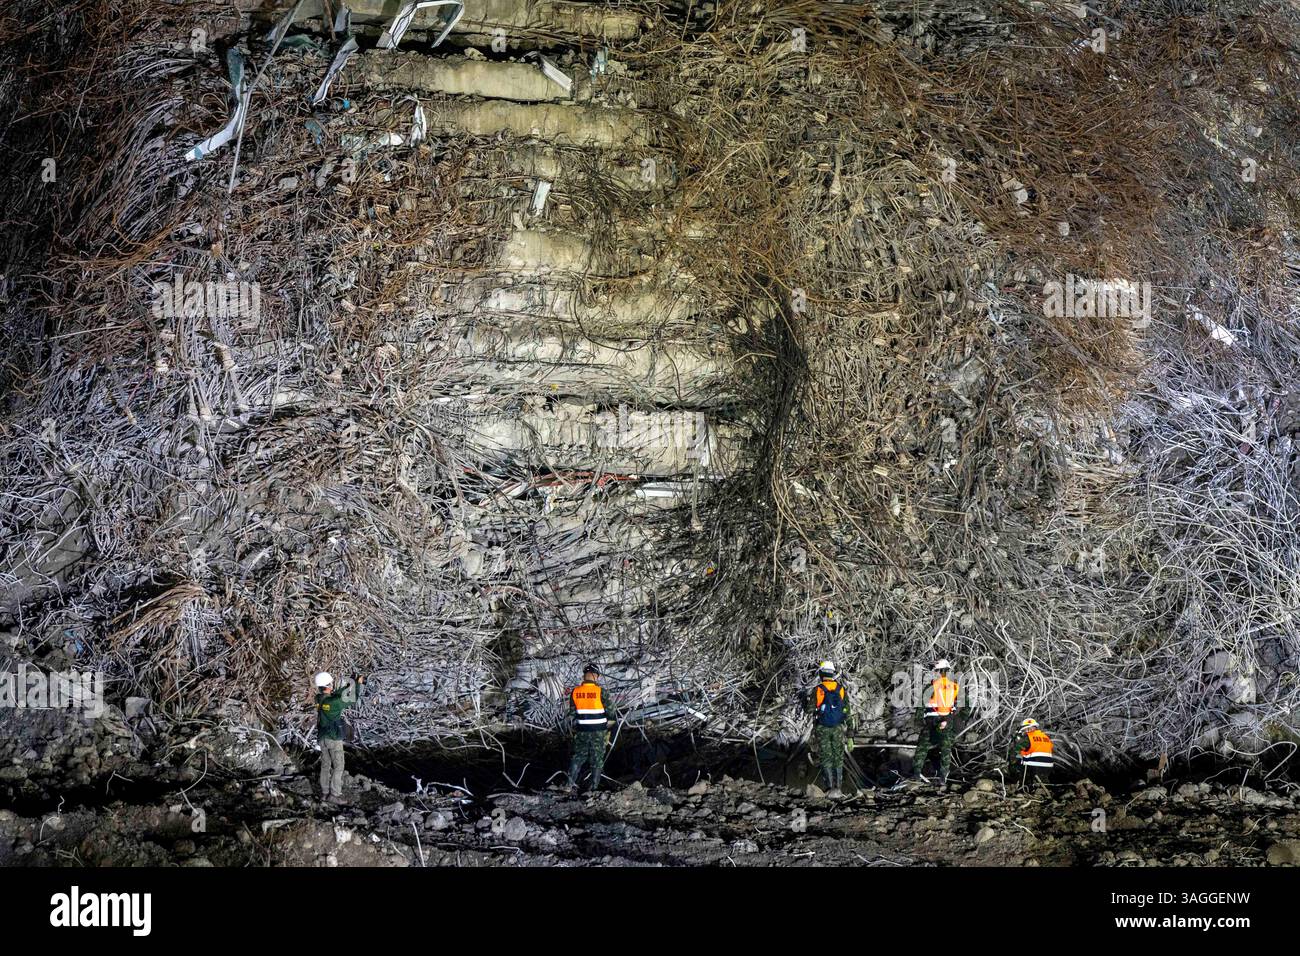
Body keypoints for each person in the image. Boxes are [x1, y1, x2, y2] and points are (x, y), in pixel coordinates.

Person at [315, 670, 365, 803]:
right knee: (339, 766)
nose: (333, 685)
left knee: (325, 766)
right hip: (333, 738)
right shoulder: (334, 702)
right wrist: (358, 685)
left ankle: (324, 793)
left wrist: (350, 684)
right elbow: (353, 698)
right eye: (331, 683)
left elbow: (335, 696)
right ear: (328, 685)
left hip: (322, 738)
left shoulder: (319, 699)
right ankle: (334, 795)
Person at [567, 663, 617, 793]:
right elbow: (611, 713)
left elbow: (572, 714)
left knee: (578, 757)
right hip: (598, 732)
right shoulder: (601, 692)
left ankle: (569, 785)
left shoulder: (575, 692)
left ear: (584, 676)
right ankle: (593, 789)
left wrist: (575, 729)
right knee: (597, 759)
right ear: (595, 676)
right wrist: (608, 731)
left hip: (582, 731)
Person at [911, 658, 961, 785]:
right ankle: (943, 777)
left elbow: (921, 705)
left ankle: (916, 774)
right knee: (945, 748)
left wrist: (918, 721)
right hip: (946, 722)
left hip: (932, 723)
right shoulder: (954, 687)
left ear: (938, 671)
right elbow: (958, 708)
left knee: (922, 747)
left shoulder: (931, 687)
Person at [806, 660, 852, 796]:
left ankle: (829, 787)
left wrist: (806, 701)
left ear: (821, 673)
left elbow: (809, 710)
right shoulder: (841, 689)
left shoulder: (818, 689)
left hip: (822, 728)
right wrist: (850, 734)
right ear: (832, 673)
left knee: (826, 757)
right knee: (838, 756)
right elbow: (847, 712)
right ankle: (838, 787)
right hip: (838, 727)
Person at [1012, 718, 1054, 790]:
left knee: (1015, 758)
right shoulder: (1046, 737)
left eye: (1025, 730)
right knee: (1042, 783)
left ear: (1028, 728)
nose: (1025, 732)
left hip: (1033, 767)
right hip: (1048, 767)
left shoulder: (1028, 737)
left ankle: (1022, 784)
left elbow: (1016, 750)